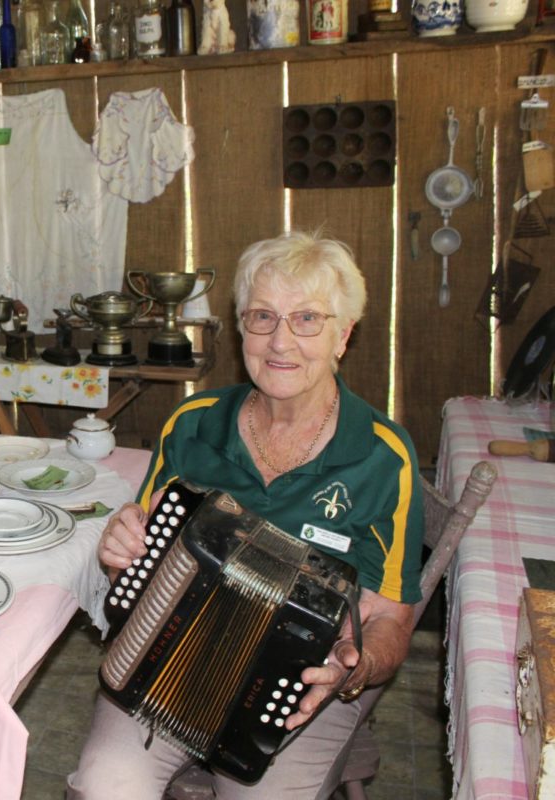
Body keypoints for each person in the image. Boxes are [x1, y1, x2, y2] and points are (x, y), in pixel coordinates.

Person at [67, 231, 424, 799]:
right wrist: (120, 552)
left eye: (307, 319)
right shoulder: (193, 423)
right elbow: (137, 577)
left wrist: (352, 668)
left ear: (343, 335)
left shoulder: (383, 456)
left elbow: (391, 619)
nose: (281, 341)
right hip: (169, 659)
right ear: (240, 330)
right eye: (262, 317)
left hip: (297, 690)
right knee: (105, 785)